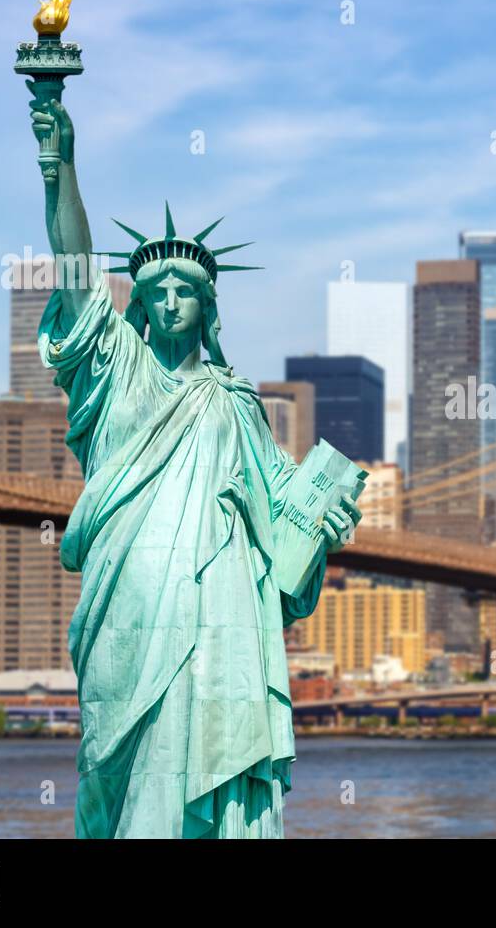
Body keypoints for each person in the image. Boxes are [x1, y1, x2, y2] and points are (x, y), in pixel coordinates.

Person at [28, 89, 360, 838]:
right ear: (137, 305)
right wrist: (60, 162)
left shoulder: (235, 403)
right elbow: (76, 271)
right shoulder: (115, 371)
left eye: (188, 292)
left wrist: (325, 517)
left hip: (218, 617)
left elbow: (281, 516)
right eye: (156, 292)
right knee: (126, 773)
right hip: (130, 606)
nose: (172, 301)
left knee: (203, 775)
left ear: (209, 309)